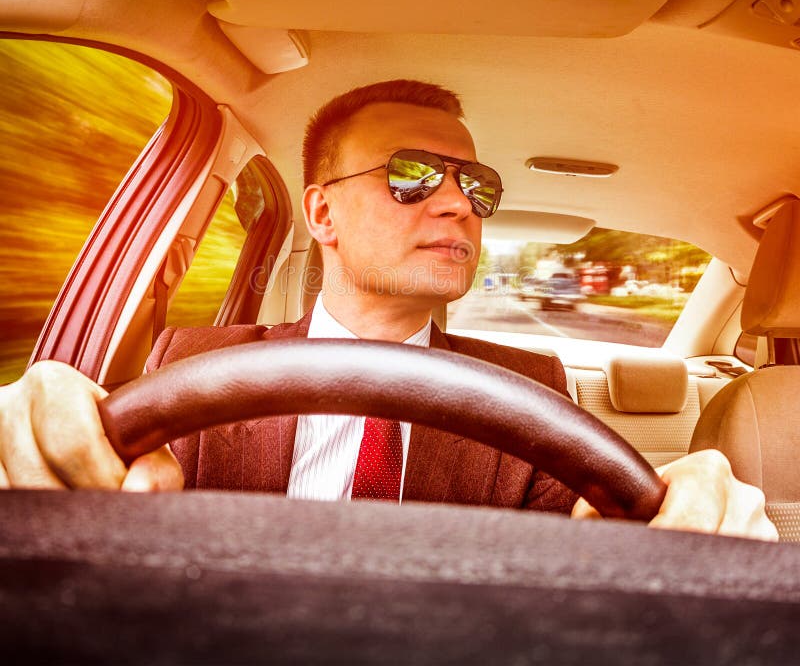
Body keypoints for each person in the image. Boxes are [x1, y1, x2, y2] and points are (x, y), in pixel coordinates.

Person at [0, 79, 777, 539]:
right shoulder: (191, 363)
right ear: (321, 213)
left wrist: (687, 524)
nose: (458, 205)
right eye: (410, 174)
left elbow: (586, 532)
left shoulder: (535, 389)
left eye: (476, 187)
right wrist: (39, 438)